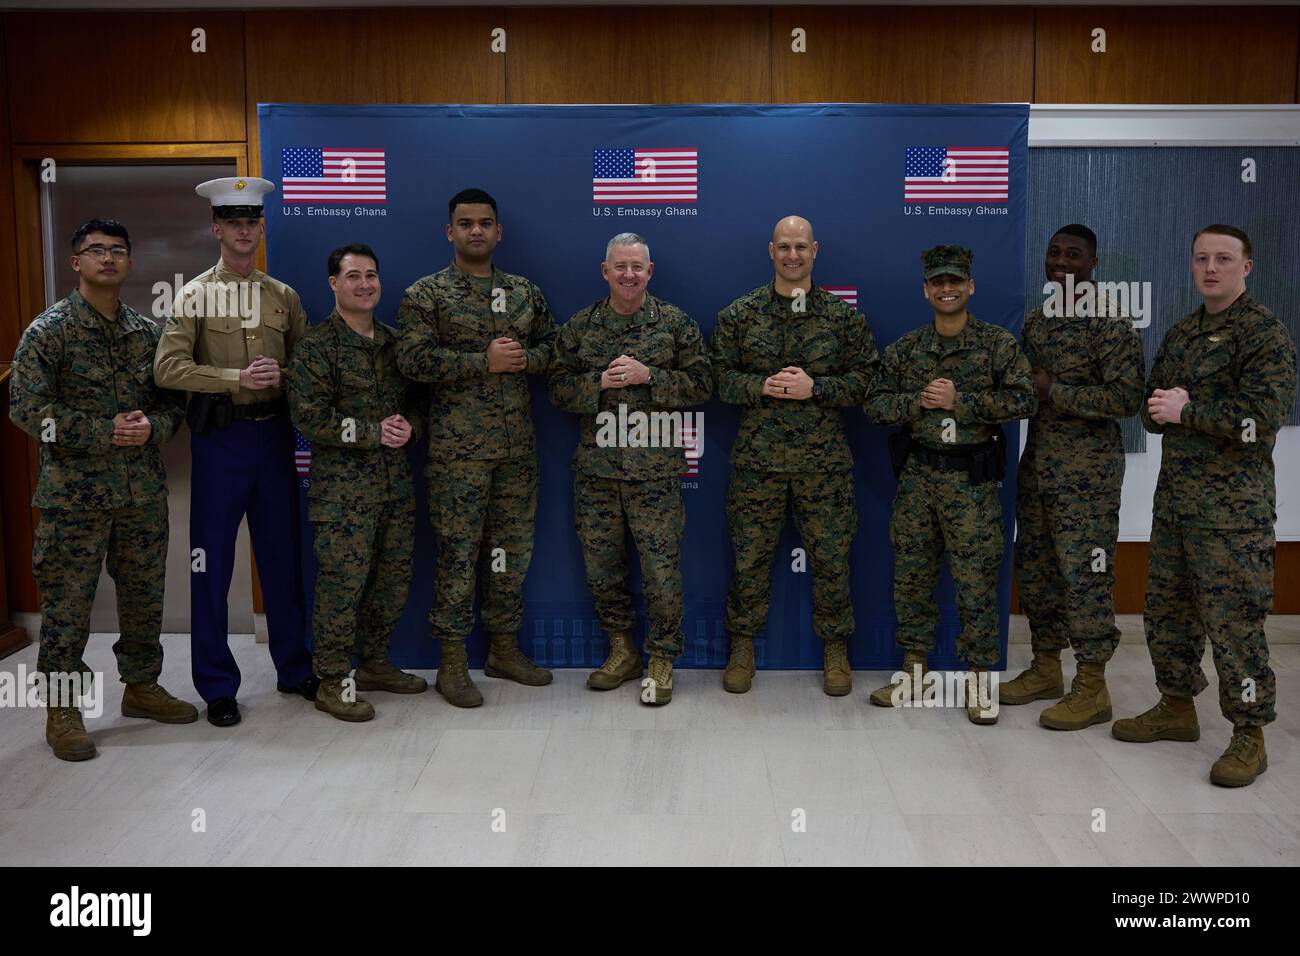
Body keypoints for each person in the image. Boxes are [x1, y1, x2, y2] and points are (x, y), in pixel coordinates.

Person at [1113, 225, 1297, 787]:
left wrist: (1188, 410)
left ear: (1248, 266)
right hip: (1174, 506)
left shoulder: (1263, 333)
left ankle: (1250, 733)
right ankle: (1176, 706)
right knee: (1166, 615)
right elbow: (1152, 408)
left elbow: (1260, 418)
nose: (1210, 268)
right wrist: (1163, 409)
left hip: (1232, 515)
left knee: (1234, 625)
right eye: (1201, 258)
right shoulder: (1183, 332)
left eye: (1223, 258)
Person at [10, 218, 194, 760]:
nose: (108, 259)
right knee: (68, 607)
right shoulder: (50, 331)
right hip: (74, 498)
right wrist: (102, 430)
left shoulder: (147, 333)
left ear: (130, 262)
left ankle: (142, 687)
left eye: (118, 250)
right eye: (96, 251)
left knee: (144, 598)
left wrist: (151, 428)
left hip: (141, 493)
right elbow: (27, 411)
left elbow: (172, 403)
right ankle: (63, 710)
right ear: (76, 263)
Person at [154, 177, 316, 727]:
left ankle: (294, 669)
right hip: (221, 440)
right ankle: (218, 686)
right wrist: (233, 377)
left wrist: (285, 374)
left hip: (273, 439)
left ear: (262, 228)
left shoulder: (284, 297)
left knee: (282, 560)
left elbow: (310, 374)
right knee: (211, 565)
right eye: (234, 222)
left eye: (253, 222)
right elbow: (167, 369)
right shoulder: (194, 294)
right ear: (216, 228)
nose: (244, 230)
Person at [395, 188, 556, 707]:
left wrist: (524, 360)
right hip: (457, 456)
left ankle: (504, 649)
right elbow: (411, 361)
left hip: (516, 453)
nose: (476, 231)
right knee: (459, 557)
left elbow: (556, 350)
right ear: (450, 232)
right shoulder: (427, 295)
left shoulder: (526, 292)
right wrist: (478, 361)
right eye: (466, 224)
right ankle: (452, 663)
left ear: (499, 231)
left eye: (485, 223)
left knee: (509, 556)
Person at [865, 245, 1036, 724]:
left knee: (977, 583)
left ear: (970, 287)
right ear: (925, 290)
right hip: (919, 478)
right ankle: (914, 673)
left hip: (971, 482)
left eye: (955, 282)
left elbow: (1025, 400)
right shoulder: (906, 350)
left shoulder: (998, 344)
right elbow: (875, 405)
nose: (947, 289)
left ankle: (980, 681)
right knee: (912, 579)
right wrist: (917, 404)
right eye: (938, 282)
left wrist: (963, 401)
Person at [710, 216, 878, 696]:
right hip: (757, 465)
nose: (792, 255)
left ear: (815, 251)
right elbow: (715, 376)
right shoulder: (739, 315)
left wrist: (817, 387)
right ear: (771, 251)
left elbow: (868, 380)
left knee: (831, 561)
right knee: (748, 561)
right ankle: (742, 647)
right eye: (783, 247)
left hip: (823, 467)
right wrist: (759, 385)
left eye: (801, 247)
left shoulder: (842, 317)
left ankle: (836, 650)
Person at [548, 233, 712, 705]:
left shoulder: (675, 324)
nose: (628, 274)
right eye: (620, 266)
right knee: (603, 570)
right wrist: (596, 383)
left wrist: (651, 376)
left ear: (650, 271)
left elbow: (704, 383)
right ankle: (622, 651)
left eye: (637, 266)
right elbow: (556, 389)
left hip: (654, 472)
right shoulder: (580, 328)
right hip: (597, 473)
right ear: (605, 271)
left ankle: (661, 658)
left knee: (661, 572)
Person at [1004, 225, 1144, 730]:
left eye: (1074, 254)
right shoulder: (1039, 321)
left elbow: (1127, 399)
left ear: (1093, 263)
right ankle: (1045, 668)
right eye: (1055, 252)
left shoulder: (1111, 322)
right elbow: (1023, 387)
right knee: (1038, 573)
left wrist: (1054, 391)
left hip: (1087, 478)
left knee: (1085, 578)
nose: (1061, 261)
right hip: (1039, 466)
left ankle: (1092, 685)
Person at [287, 243, 428, 722]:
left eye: (371, 275)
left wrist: (411, 426)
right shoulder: (316, 348)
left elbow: (417, 405)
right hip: (343, 495)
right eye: (353, 276)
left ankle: (374, 664)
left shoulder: (394, 343)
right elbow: (310, 419)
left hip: (395, 489)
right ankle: (331, 679)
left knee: (391, 582)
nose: (364, 284)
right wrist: (372, 433)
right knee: (342, 587)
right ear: (333, 283)